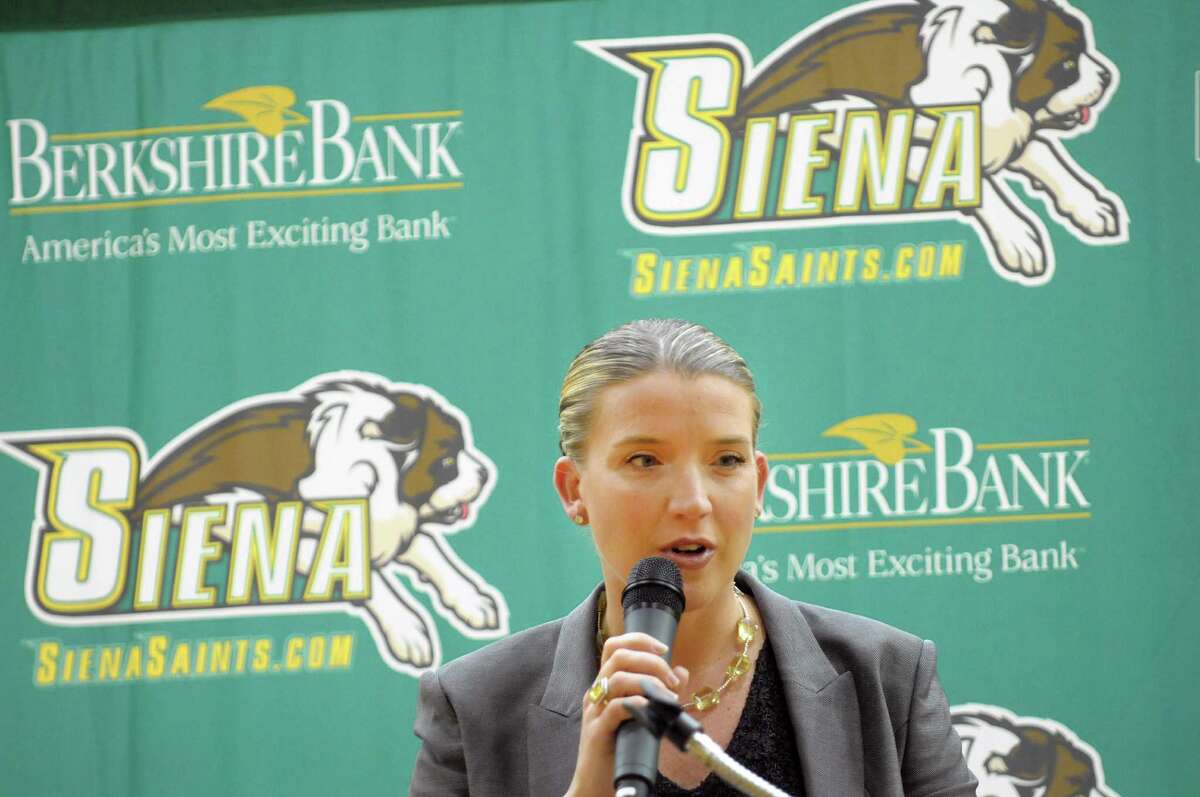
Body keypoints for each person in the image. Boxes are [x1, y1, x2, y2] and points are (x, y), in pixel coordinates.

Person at [409, 319, 977, 796]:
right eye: (644, 461)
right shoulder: (475, 705)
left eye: (726, 460)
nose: (693, 501)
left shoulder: (889, 677)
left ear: (758, 483)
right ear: (574, 490)